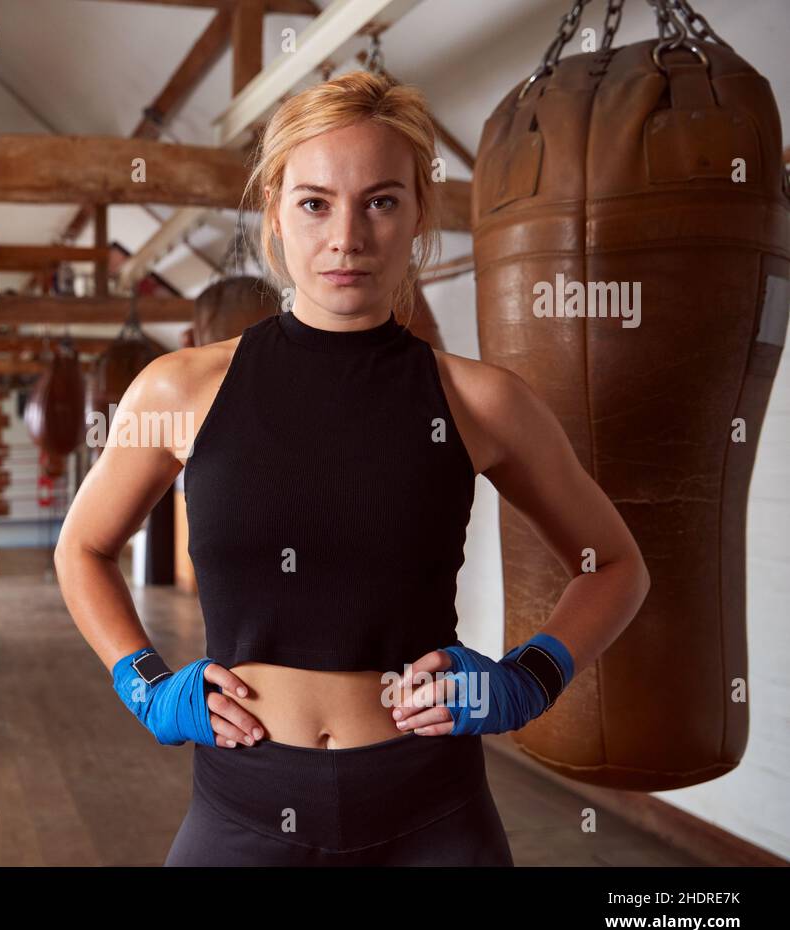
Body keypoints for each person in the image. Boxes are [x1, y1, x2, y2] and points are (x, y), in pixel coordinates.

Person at [53, 71, 651, 866]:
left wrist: (531, 677)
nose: (347, 237)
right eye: (314, 202)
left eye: (380, 200)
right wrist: (145, 686)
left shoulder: (482, 401)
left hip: (431, 814)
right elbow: (82, 549)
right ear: (274, 212)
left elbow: (615, 566)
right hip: (240, 810)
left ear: (417, 214)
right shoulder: (182, 389)